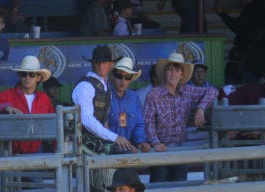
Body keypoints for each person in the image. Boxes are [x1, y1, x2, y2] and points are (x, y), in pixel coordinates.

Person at [142, 52, 218, 182]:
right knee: (160, 187)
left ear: (182, 74)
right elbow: (148, 122)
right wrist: (156, 142)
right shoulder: (154, 94)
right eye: (170, 70)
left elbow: (213, 91)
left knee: (179, 186)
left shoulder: (187, 91)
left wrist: (201, 108)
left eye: (177, 70)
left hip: (179, 148)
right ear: (165, 73)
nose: (173, 74)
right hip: (159, 149)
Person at [0, 56, 55, 154]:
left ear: (38, 78)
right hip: (13, 153)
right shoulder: (8, 95)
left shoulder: (44, 99)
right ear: (20, 76)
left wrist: (56, 150)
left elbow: (54, 125)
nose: (27, 78)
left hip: (38, 150)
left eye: (31, 75)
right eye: (24, 74)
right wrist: (5, 107)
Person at [72, 45, 135, 155]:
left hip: (96, 137)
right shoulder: (85, 86)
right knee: (123, 152)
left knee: (126, 149)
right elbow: (86, 120)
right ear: (92, 64)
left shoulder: (106, 88)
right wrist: (115, 138)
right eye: (98, 63)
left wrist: (119, 140)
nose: (101, 66)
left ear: (110, 64)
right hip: (81, 138)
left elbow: (104, 122)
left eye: (104, 63)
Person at [215, 0, 265, 82]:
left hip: (249, 58)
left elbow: (239, 27)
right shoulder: (261, 7)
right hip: (254, 58)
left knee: (246, 87)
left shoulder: (255, 8)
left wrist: (222, 13)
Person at [108, 57, 151, 153]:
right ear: (113, 76)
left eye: (127, 77)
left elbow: (139, 124)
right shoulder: (105, 96)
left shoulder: (134, 97)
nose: (123, 80)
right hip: (109, 146)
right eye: (119, 76)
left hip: (130, 145)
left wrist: (140, 142)